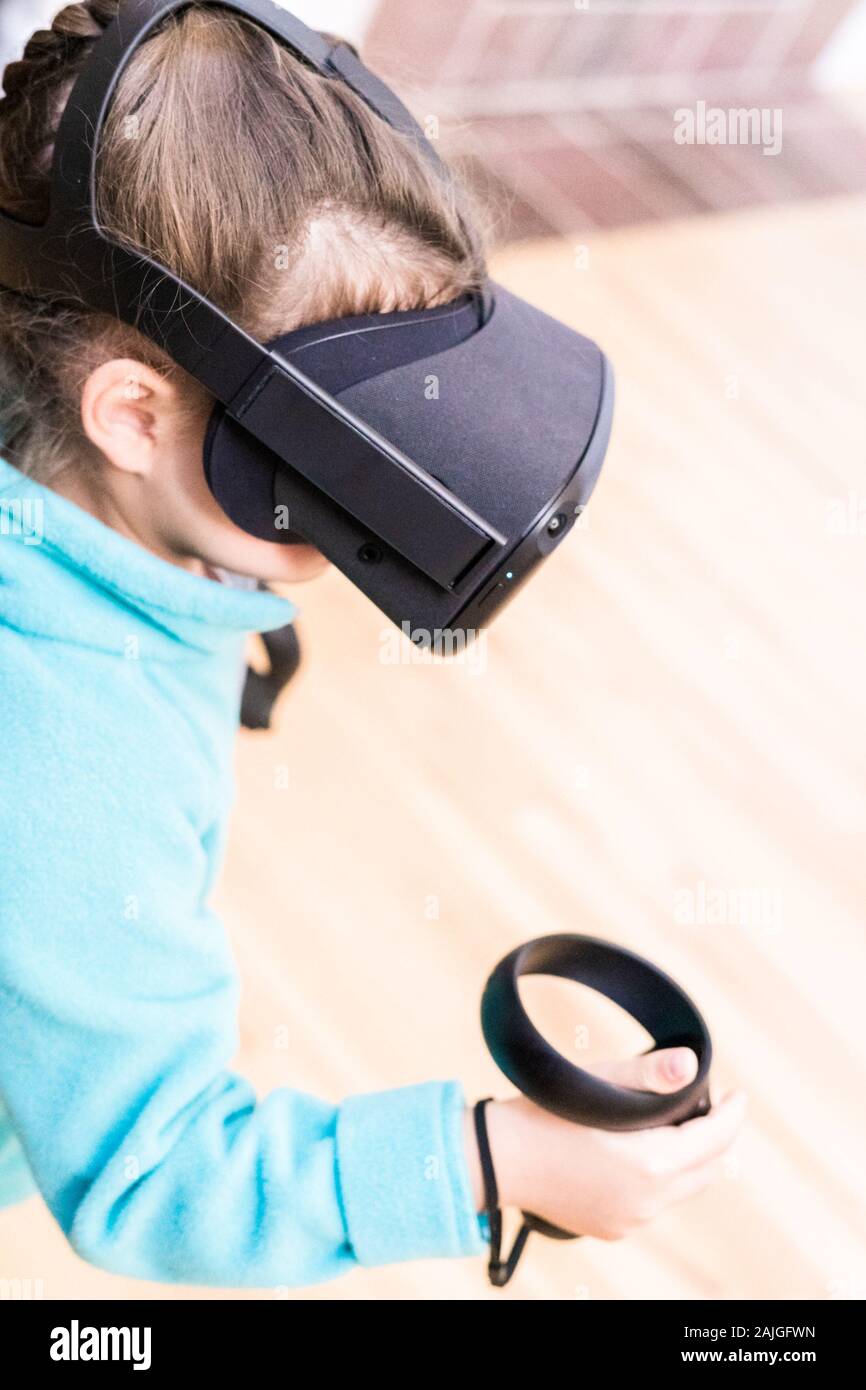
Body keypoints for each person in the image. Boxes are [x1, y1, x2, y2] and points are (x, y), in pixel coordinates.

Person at [0, 1, 746, 1287]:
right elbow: (155, 1169)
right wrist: (488, 1164)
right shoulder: (73, 749)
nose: (377, 520)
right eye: (338, 459)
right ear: (131, 414)